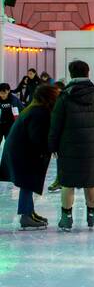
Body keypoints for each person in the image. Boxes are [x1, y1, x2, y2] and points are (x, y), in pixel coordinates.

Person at [47, 59, 94, 231]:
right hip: (93, 147)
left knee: (67, 183)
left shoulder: (65, 97)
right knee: (90, 182)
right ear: (87, 73)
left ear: (71, 74)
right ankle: (92, 216)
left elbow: (56, 124)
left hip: (68, 148)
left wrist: (52, 146)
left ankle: (66, 218)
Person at [0, 82, 60, 228]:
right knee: (27, 182)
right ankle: (26, 215)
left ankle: (29, 212)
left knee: (28, 181)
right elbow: (37, 137)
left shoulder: (36, 108)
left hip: (21, 151)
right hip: (22, 153)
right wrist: (50, 148)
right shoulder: (39, 112)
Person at [0, 82, 21, 158]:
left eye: (4, 93)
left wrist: (17, 125)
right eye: (1, 93)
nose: (2, 95)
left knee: (9, 142)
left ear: (8, 91)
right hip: (0, 123)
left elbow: (19, 112)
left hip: (10, 124)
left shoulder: (14, 100)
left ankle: (9, 158)